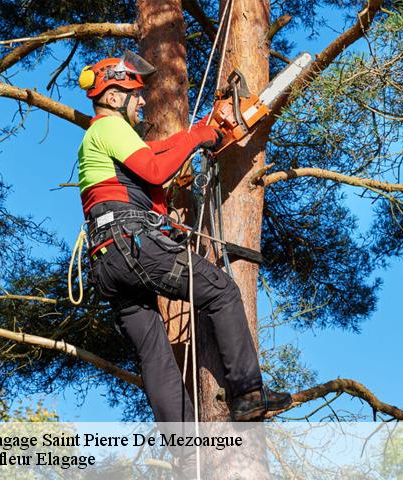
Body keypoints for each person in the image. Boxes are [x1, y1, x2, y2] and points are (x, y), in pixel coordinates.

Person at [77, 51, 292, 424]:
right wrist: (196, 135)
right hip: (131, 244)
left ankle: (184, 450)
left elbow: (154, 154)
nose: (142, 101)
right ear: (113, 97)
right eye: (135, 94)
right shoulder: (108, 127)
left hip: (107, 260)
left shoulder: (102, 140)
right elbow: (157, 169)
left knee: (154, 354)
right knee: (222, 291)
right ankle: (248, 394)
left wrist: (201, 134)